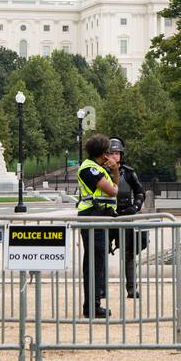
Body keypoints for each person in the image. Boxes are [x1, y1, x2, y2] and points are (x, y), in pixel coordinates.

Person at [75, 134, 120, 318]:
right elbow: (113, 190)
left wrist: (115, 171)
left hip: (99, 216)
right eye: (108, 151)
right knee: (94, 262)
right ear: (103, 153)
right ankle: (92, 306)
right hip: (92, 216)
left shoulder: (97, 168)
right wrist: (115, 171)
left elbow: (115, 190)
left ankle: (94, 304)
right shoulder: (90, 169)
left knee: (97, 261)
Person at [106, 138, 147, 300]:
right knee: (101, 252)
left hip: (126, 214)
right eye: (111, 153)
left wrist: (135, 208)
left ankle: (131, 288)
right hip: (107, 216)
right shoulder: (101, 171)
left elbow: (140, 192)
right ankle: (100, 290)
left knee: (129, 254)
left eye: (117, 153)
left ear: (121, 155)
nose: (114, 156)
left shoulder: (129, 172)